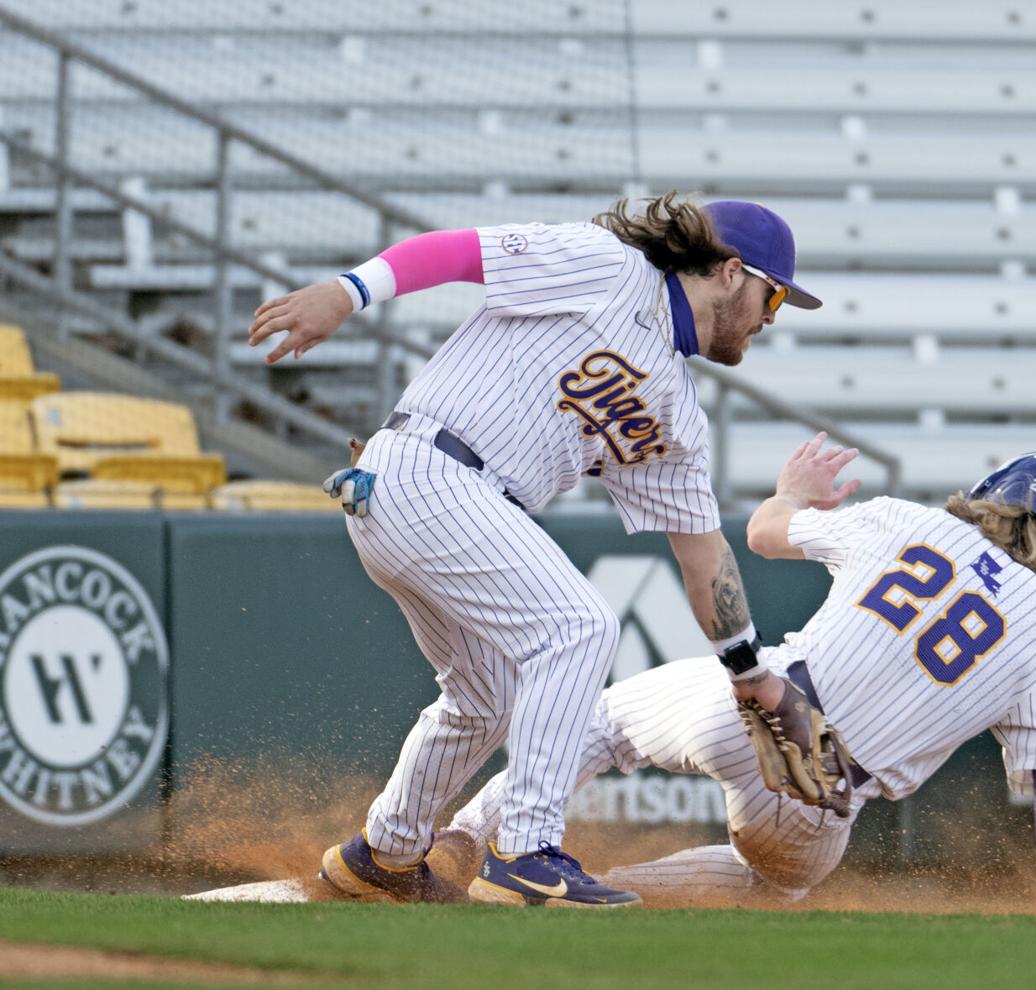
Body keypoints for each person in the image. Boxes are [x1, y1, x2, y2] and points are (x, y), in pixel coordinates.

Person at [246, 194, 822, 907]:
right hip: (431, 471)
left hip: (441, 498)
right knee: (579, 627)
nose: (771, 320)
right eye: (774, 300)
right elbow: (457, 250)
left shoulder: (674, 410)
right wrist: (347, 292)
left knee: (483, 702)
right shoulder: (611, 268)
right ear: (733, 272)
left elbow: (705, 560)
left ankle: (384, 856)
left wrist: (749, 674)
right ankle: (526, 850)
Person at [436, 433, 1036, 909]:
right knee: (778, 885)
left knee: (603, 722)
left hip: (752, 709)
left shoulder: (909, 522)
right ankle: (620, 894)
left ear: (985, 499)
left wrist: (790, 494)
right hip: (821, 803)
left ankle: (466, 837)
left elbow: (764, 533)